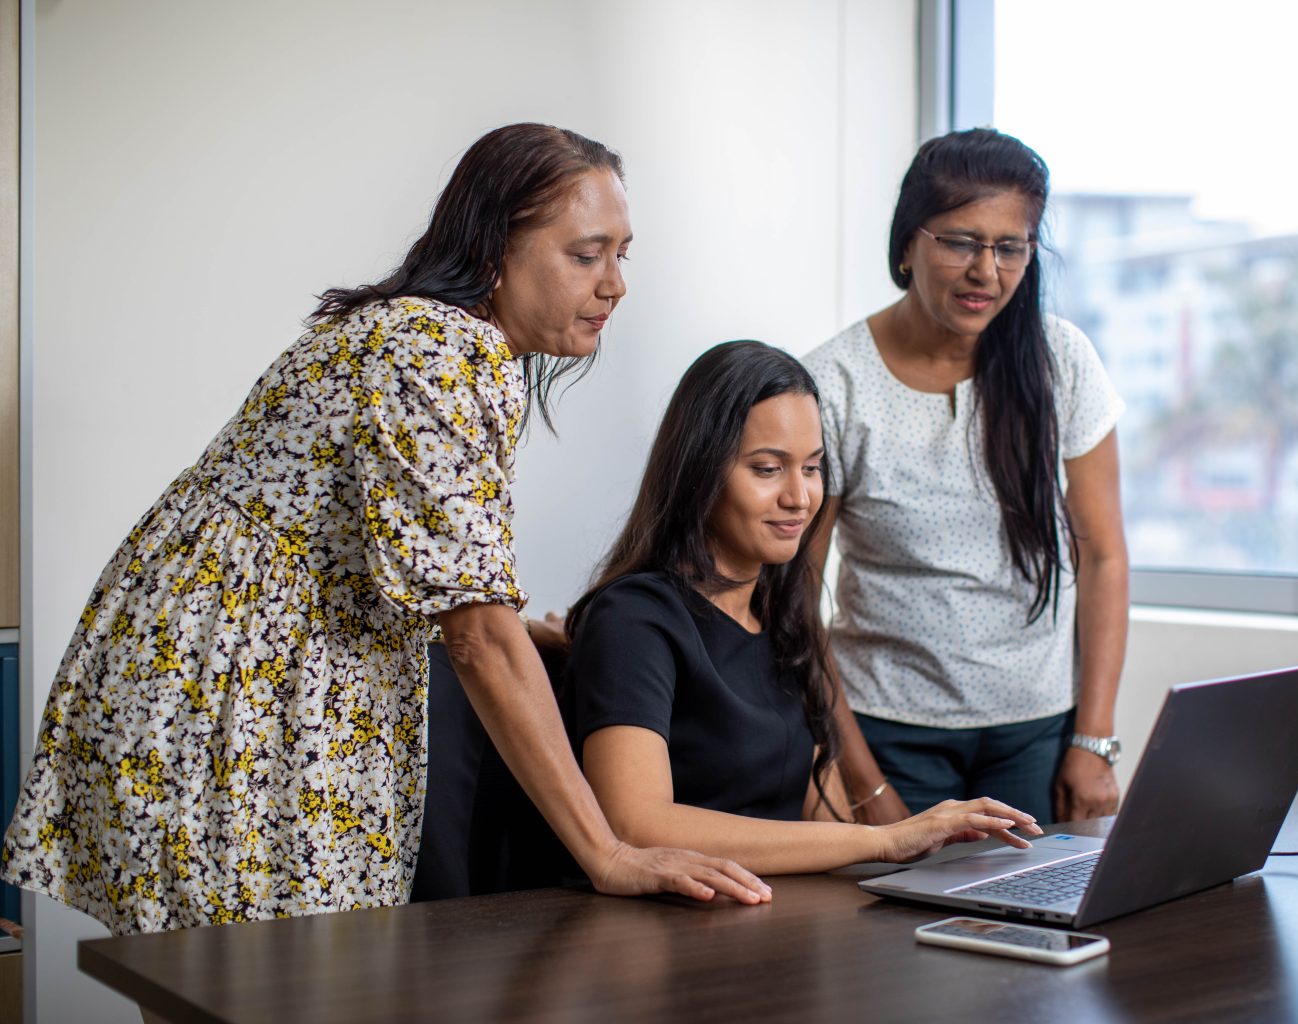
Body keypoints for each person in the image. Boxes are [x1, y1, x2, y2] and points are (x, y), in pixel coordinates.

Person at [1, 124, 770, 937]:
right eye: (585, 255)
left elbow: (431, 575)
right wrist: (607, 852)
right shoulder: (438, 349)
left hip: (203, 669)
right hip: (234, 691)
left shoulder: (425, 338)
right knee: (257, 982)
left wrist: (522, 633)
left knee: (227, 981)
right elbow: (473, 630)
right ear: (492, 249)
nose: (614, 283)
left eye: (623, 254)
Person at [559, 340, 1043, 873]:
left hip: (783, 914)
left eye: (811, 468)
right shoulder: (634, 619)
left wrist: (914, 862)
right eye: (768, 469)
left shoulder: (782, 616)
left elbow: (822, 816)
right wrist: (883, 840)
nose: (800, 497)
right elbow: (635, 824)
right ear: (700, 471)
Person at [801, 128, 1129, 826]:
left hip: (1039, 727)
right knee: (895, 932)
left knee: (1033, 922)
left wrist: (1093, 740)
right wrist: (863, 781)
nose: (986, 270)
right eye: (959, 241)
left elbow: (1104, 556)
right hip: (887, 728)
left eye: (1010, 247)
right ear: (907, 242)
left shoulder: (1060, 361)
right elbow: (795, 598)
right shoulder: (831, 384)